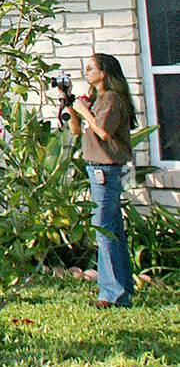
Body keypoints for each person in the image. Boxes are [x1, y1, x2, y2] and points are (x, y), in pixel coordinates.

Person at [68, 52, 137, 309]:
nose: (87, 72)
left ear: (104, 72)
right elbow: (77, 130)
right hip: (98, 170)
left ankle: (112, 294)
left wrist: (85, 111)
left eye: (90, 68)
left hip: (105, 172)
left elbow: (104, 132)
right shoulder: (99, 99)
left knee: (104, 231)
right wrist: (71, 108)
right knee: (113, 231)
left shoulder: (110, 99)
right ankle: (121, 289)